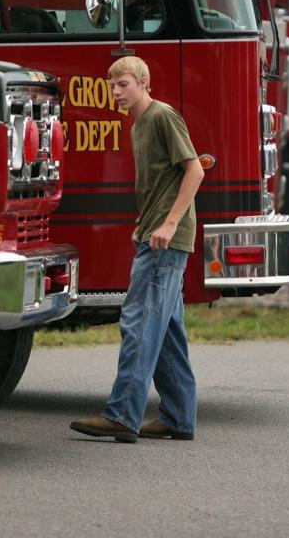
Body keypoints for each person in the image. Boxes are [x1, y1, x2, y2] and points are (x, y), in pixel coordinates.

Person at [70, 56, 204, 442]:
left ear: (144, 82)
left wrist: (168, 223)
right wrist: (143, 224)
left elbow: (194, 169)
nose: (116, 92)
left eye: (123, 84)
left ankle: (122, 414)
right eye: (112, 86)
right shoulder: (138, 125)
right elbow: (159, 182)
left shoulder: (163, 116)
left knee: (138, 321)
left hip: (165, 240)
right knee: (165, 329)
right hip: (153, 234)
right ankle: (178, 416)